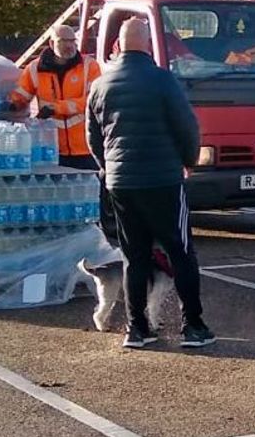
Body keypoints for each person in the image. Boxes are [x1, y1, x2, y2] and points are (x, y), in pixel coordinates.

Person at [87, 19, 213, 350]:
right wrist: (189, 160)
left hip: (122, 182)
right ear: (148, 44)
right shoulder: (162, 80)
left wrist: (109, 168)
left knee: (135, 256)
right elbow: (187, 127)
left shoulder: (100, 85)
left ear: (118, 44)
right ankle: (193, 327)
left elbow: (93, 137)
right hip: (163, 180)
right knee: (180, 251)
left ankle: (137, 329)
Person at [12, 25, 102, 169]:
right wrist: (12, 104)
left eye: (72, 41)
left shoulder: (89, 66)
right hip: (51, 149)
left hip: (86, 148)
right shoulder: (35, 68)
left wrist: (56, 108)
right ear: (52, 43)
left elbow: (93, 101)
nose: (69, 46)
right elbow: (22, 94)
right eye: (63, 41)